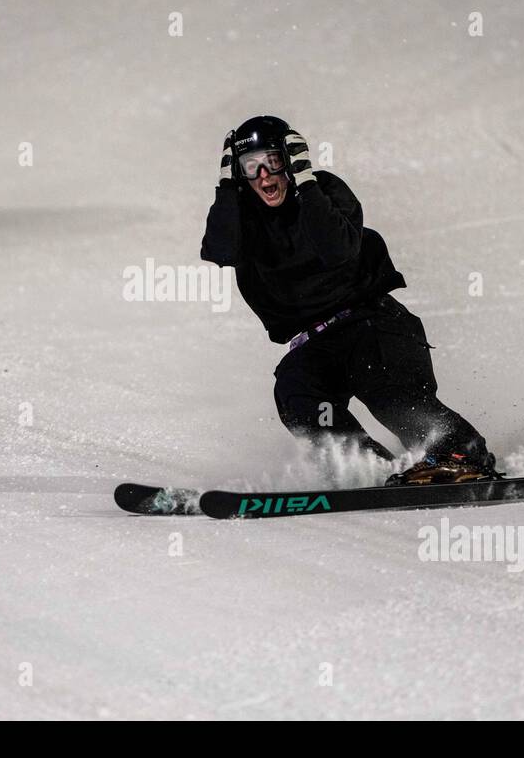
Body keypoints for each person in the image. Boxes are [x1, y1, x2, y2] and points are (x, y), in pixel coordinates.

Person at [199, 115, 498, 485]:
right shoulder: (241, 219)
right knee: (298, 394)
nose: (263, 175)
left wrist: (305, 182)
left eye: (273, 162)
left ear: (291, 160)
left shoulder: (323, 192)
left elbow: (337, 249)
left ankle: (461, 454)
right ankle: (369, 466)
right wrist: (227, 190)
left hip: (373, 327)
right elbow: (222, 250)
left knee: (388, 394)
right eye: (251, 166)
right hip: (318, 345)